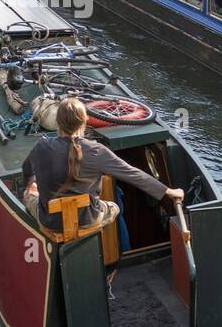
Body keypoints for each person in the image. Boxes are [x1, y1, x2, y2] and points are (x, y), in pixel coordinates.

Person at [21, 97, 182, 234]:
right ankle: (113, 260)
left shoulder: (41, 146)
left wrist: (31, 186)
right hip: (87, 219)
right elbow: (133, 175)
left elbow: (26, 170)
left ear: (58, 122)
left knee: (30, 196)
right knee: (114, 206)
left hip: (50, 221)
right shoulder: (96, 150)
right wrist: (168, 191)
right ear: (84, 121)